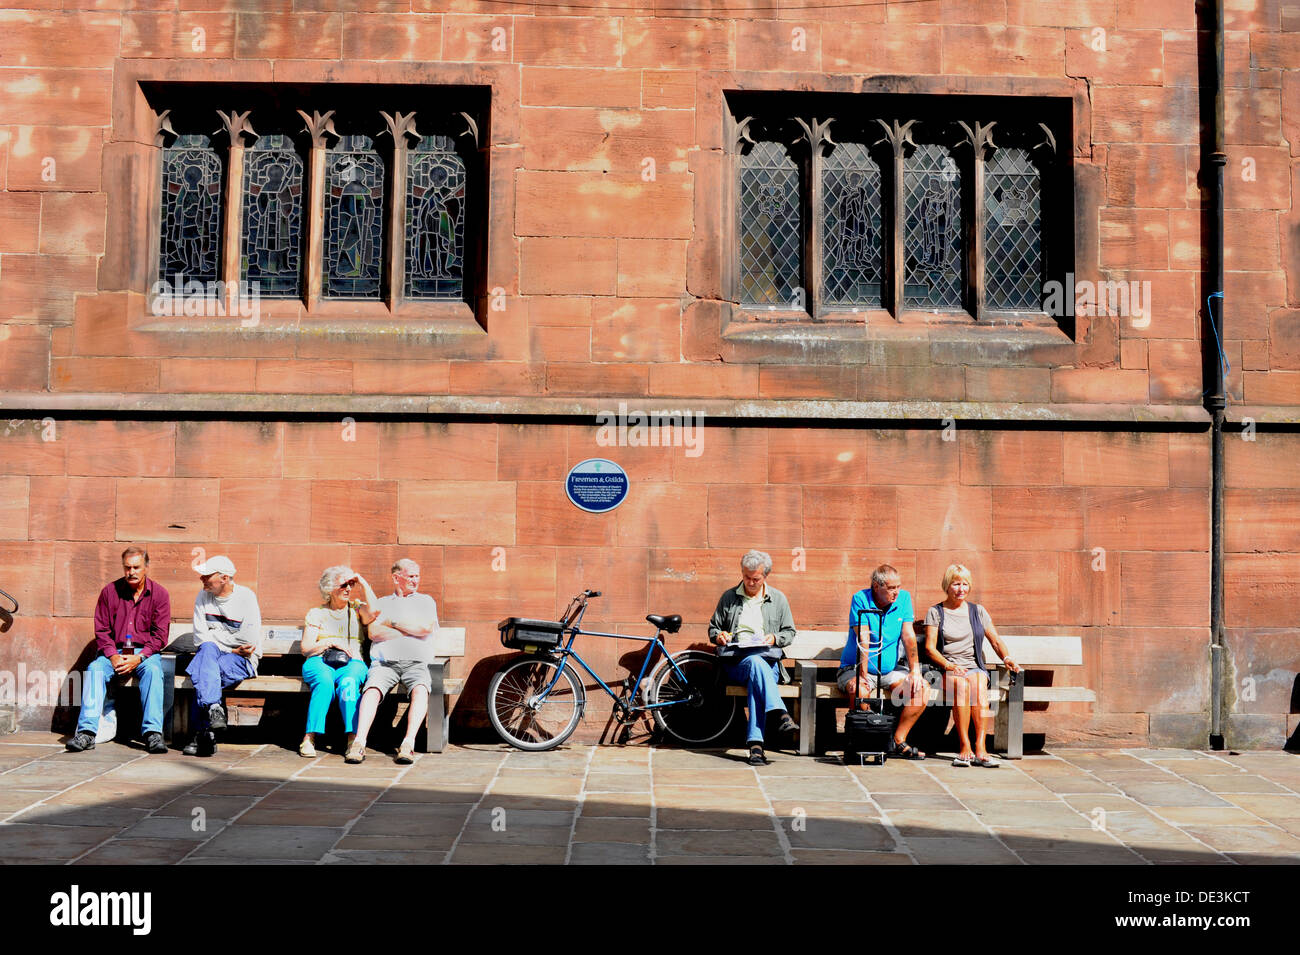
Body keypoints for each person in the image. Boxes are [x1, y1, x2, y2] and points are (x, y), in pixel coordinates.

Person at [66, 545, 171, 754]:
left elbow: (160, 636)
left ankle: (153, 734)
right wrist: (113, 656)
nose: (131, 572)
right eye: (127, 567)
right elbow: (102, 630)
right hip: (114, 651)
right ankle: (87, 732)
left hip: (144, 654)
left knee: (154, 671)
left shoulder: (159, 594)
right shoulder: (109, 592)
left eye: (136, 567)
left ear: (146, 568)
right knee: (95, 669)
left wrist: (139, 658)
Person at [924, 563, 1021, 768]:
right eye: (956, 584)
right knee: (962, 687)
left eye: (965, 584)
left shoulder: (978, 611)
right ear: (947, 586)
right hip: (946, 669)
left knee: (977, 686)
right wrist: (950, 666)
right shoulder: (935, 612)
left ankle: (981, 747)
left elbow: (995, 640)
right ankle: (964, 746)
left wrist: (1006, 658)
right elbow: (930, 649)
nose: (961, 589)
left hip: (973, 666)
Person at [708, 549, 798, 767]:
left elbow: (790, 632)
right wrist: (719, 636)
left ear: (765, 576)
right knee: (756, 667)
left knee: (758, 674)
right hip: (737, 663)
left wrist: (773, 637)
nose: (750, 582)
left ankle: (756, 748)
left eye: (755, 579)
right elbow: (713, 628)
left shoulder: (777, 599)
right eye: (746, 577)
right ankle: (780, 713)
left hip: (768, 662)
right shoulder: (729, 597)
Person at [346, 559, 440, 765]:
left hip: (417, 663)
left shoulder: (425, 601)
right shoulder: (381, 603)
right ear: (397, 578)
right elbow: (373, 632)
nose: (416, 580)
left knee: (421, 689)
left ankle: (408, 743)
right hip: (384, 663)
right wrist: (408, 630)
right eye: (411, 576)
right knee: (371, 690)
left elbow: (424, 628)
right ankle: (359, 743)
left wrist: (393, 622)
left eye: (417, 576)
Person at [838, 564, 928, 760]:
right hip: (856, 667)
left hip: (889, 671)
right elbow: (864, 638)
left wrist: (915, 671)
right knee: (859, 691)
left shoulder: (903, 599)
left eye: (898, 586)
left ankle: (898, 740)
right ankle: (867, 740)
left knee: (922, 688)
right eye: (891, 588)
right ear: (876, 586)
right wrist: (861, 676)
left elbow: (908, 636)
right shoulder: (860, 599)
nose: (896, 592)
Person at [183, 556, 263, 757]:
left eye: (207, 576)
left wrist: (227, 646)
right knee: (207, 650)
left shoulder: (246, 597)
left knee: (203, 672)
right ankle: (214, 709)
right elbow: (201, 638)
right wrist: (230, 644)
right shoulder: (203, 597)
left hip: (242, 660)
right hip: (215, 653)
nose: (202, 579)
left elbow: (247, 639)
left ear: (225, 578)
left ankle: (201, 734)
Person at [299, 566, 378, 758]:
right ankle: (309, 738)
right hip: (319, 660)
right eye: (344, 584)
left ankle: (353, 739)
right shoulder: (317, 613)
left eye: (351, 584)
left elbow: (375, 612)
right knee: (324, 683)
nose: (349, 589)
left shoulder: (356, 608)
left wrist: (362, 581)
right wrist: (328, 642)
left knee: (348, 683)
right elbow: (306, 648)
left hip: (352, 662)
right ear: (329, 588)